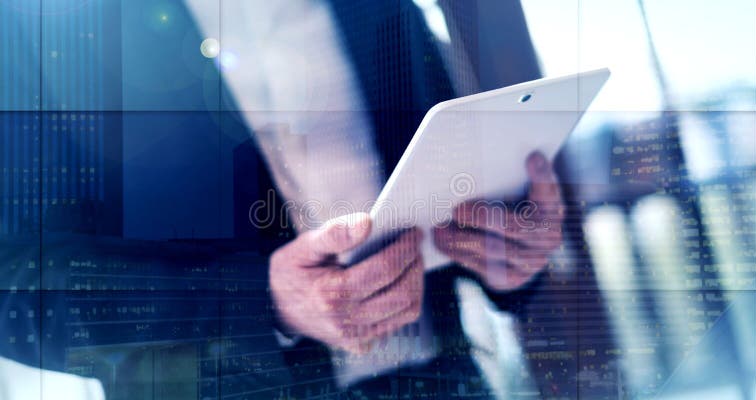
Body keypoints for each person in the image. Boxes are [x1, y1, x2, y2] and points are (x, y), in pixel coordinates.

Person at [186, 0, 564, 397]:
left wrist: (508, 251)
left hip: (444, 375)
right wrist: (266, 307)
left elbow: (451, 177)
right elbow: (116, 294)